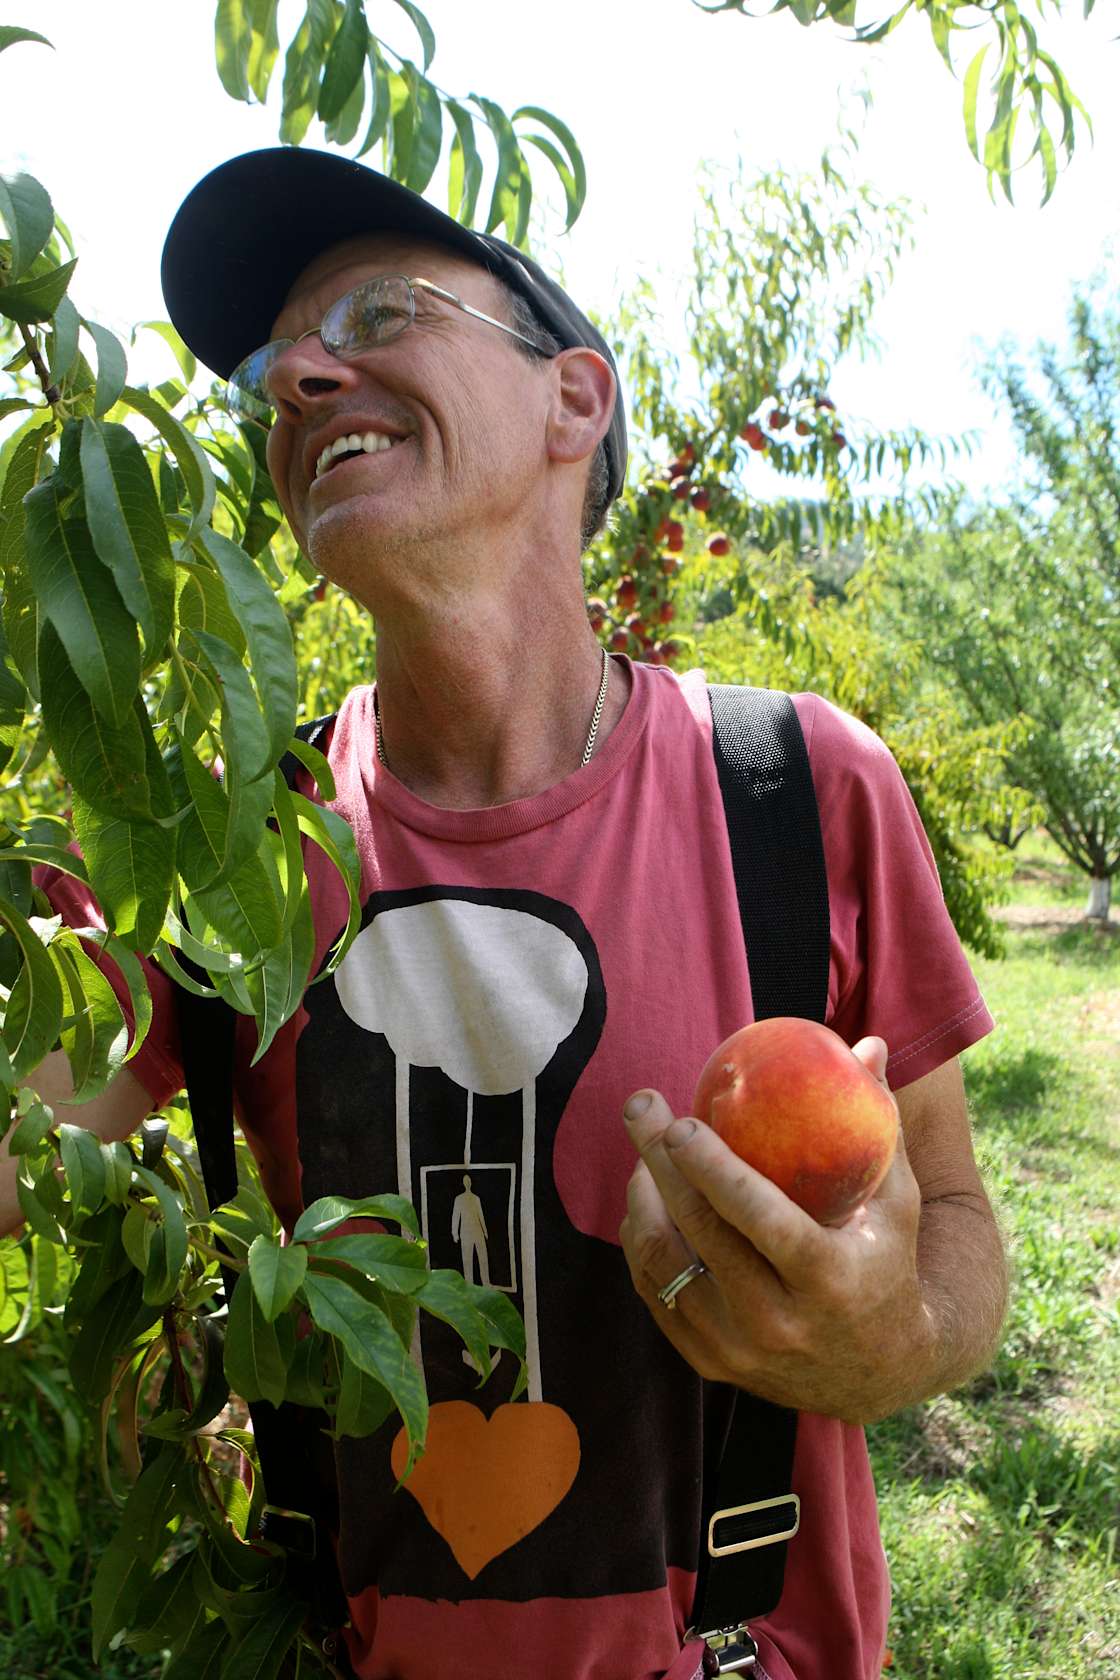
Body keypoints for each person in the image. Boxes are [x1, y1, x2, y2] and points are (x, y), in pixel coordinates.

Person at [6, 147, 1008, 1680]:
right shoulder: (217, 847)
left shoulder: (798, 789)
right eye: (275, 368)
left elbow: (958, 1230)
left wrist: (895, 1342)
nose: (300, 379)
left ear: (573, 401)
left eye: (380, 314)